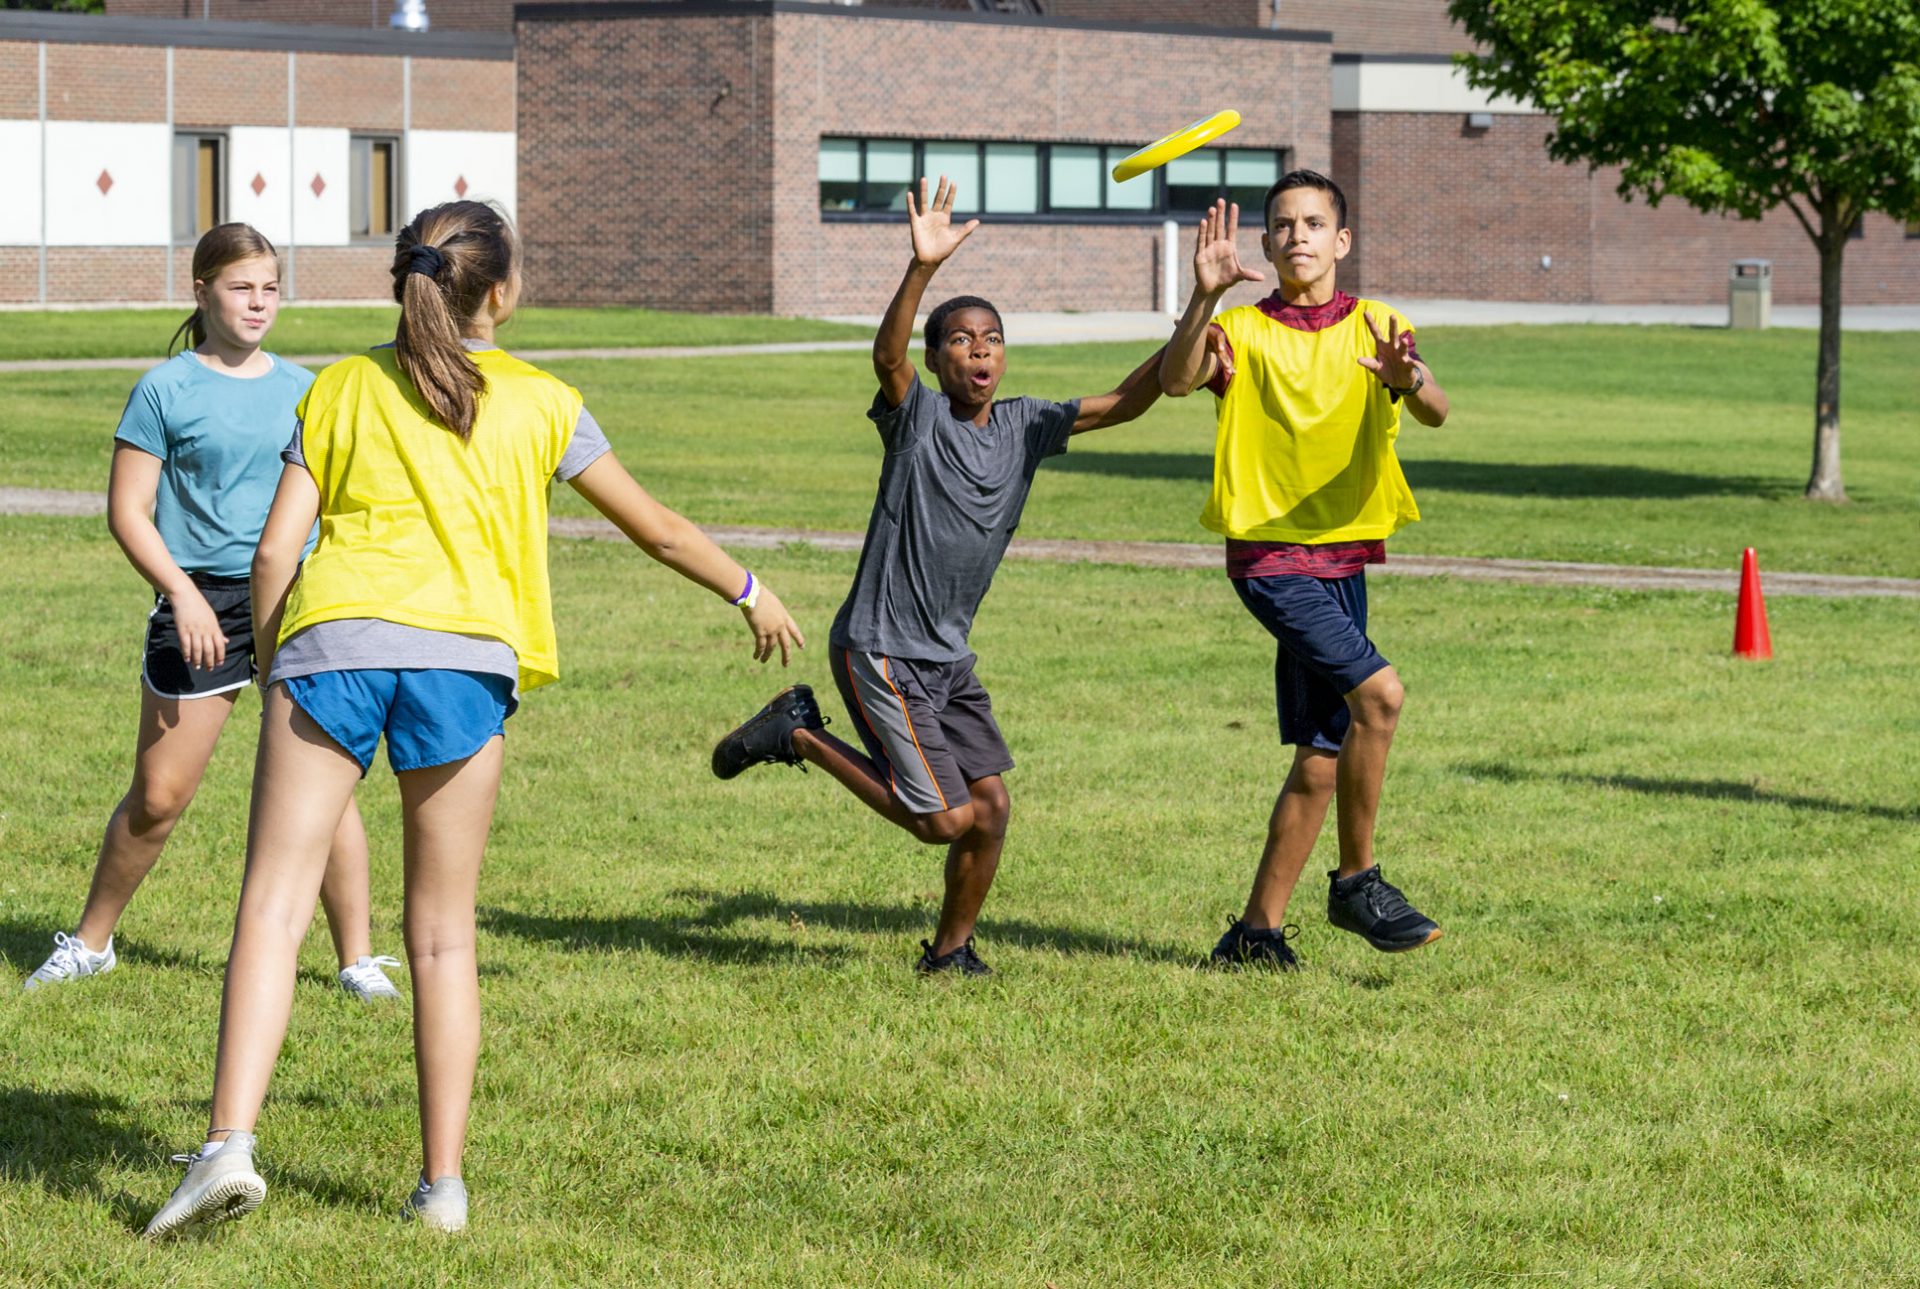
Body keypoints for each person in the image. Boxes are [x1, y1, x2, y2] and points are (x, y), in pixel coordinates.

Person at [142, 200, 804, 1240]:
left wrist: (277, 666)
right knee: (444, 936)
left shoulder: (342, 386)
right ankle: (441, 1187)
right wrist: (750, 589)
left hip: (333, 646)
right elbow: (660, 529)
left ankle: (228, 1145)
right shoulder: (546, 401)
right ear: (502, 292)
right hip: (465, 665)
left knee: (272, 906)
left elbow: (275, 554)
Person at [711, 176, 1165, 977]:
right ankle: (800, 732)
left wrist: (1198, 310)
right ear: (936, 359)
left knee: (989, 809)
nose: (979, 349)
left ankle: (950, 952)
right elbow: (885, 356)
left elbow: (1131, 401)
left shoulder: (1026, 426)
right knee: (942, 817)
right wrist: (920, 268)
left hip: (947, 657)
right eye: (959, 340)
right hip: (881, 646)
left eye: (990, 337)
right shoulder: (916, 419)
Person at [24, 223, 398, 1002]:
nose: (258, 303)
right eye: (241, 287)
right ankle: (91, 942)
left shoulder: (307, 387)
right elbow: (128, 511)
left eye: (269, 288)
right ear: (201, 292)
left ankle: (357, 960)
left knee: (323, 790)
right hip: (200, 601)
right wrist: (183, 594)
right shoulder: (166, 388)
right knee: (158, 797)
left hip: (297, 598)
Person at [1159, 171, 1451, 971]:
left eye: (1314, 223)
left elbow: (1436, 408)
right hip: (1270, 558)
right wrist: (1201, 302)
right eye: (1283, 224)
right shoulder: (1242, 330)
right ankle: (1357, 880)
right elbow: (1177, 380)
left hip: (1343, 555)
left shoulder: (1383, 325)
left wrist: (1406, 378)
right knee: (1381, 696)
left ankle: (1255, 934)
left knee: (1324, 754)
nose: (1298, 236)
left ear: (1341, 240)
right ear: (1264, 243)